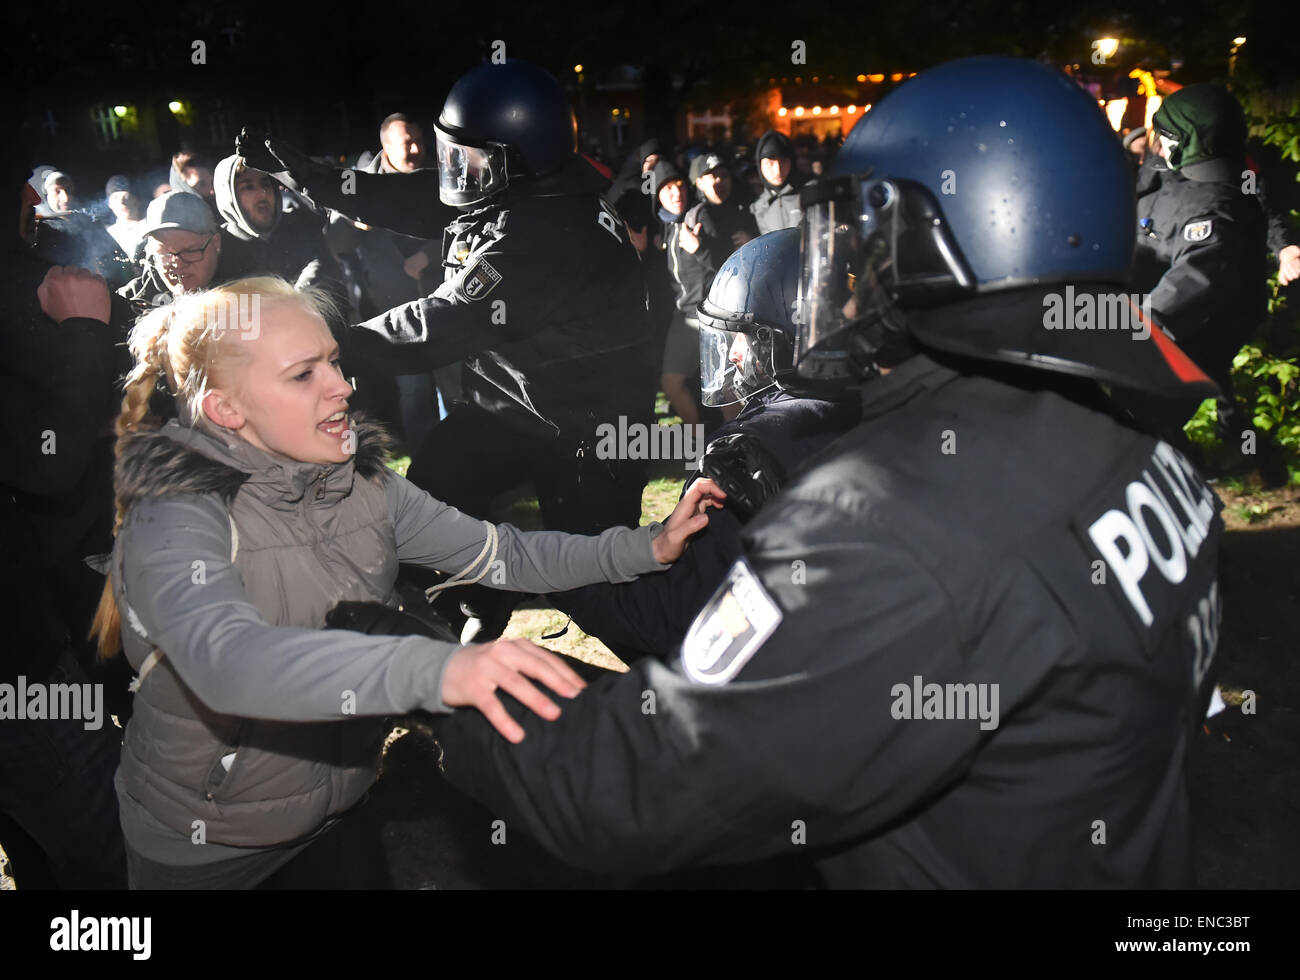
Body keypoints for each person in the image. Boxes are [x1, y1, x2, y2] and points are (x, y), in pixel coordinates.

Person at [432, 56, 1226, 889]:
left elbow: (635, 788)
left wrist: (433, 684)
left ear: (921, 238)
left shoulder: (889, 518)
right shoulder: (1144, 450)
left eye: (856, 235)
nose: (840, 286)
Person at [91, 274, 722, 889]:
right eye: (303, 374)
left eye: (335, 361)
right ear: (225, 410)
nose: (342, 386)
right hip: (208, 848)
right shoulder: (173, 515)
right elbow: (229, 664)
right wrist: (437, 670)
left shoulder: (366, 487)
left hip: (338, 808)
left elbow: (501, 554)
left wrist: (646, 546)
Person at [237, 59, 661, 639]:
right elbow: (409, 198)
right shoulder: (520, 187)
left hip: (586, 427)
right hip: (516, 404)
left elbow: (435, 326)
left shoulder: (546, 231)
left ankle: (679, 683)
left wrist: (320, 348)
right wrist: (309, 174)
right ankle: (479, 604)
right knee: (433, 497)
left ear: (519, 155)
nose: (456, 170)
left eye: (470, 157)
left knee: (594, 582)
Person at [549, 228, 860, 661]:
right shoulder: (887, 407)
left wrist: (568, 571)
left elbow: (684, 624)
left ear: (787, 338)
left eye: (744, 335)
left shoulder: (743, 454)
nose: (733, 353)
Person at [1, 149, 127, 889]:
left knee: (40, 844)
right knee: (112, 843)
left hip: (32, 613)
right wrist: (83, 331)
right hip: (14, 659)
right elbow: (43, 458)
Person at [326, 113, 459, 453]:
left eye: (419, 141)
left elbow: (464, 225)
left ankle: (461, 463)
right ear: (385, 147)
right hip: (395, 311)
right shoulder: (361, 186)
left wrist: (429, 256)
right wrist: (356, 223)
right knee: (414, 393)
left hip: (444, 303)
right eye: (406, 143)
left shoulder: (441, 176)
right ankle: (428, 468)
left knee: (454, 391)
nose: (415, 149)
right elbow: (334, 243)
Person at [1133, 83, 1268, 394]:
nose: (1158, 146)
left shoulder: (1217, 207)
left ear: (1183, 142)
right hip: (1144, 320)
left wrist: (1121, 333)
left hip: (1172, 343)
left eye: (1165, 138)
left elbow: (1191, 283)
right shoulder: (1169, 170)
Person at [117, 191, 252, 318]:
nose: (177, 263)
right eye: (164, 253)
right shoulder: (132, 302)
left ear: (216, 243)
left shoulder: (252, 293)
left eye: (189, 251)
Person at [749, 130, 805, 235]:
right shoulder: (757, 208)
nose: (778, 170)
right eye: (770, 163)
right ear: (759, 165)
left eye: (783, 161)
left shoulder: (810, 193)